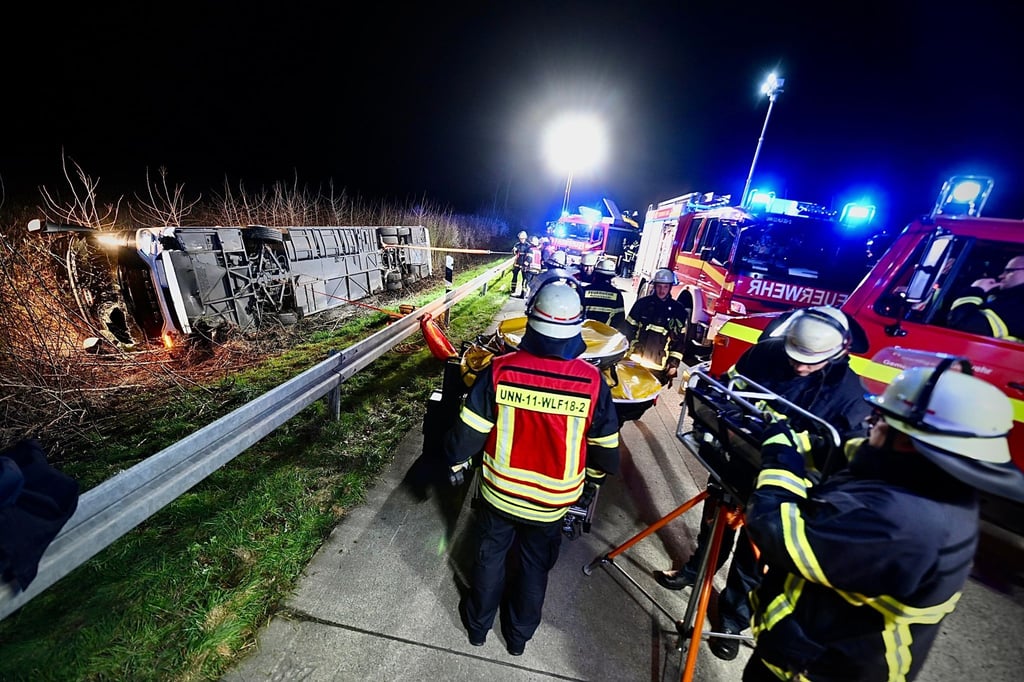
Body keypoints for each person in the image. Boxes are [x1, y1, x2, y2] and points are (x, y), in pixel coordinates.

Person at [742, 358, 1024, 681]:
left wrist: (779, 457)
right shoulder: (926, 480)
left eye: (880, 420)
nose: (871, 426)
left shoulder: (904, 522)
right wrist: (797, 439)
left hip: (817, 672)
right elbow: (851, 452)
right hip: (799, 650)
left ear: (908, 442)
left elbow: (777, 531)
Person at [653, 305, 871, 660]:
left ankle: (732, 620)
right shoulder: (767, 353)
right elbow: (728, 389)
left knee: (753, 558)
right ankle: (696, 570)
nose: (799, 366)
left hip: (779, 488)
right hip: (735, 461)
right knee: (713, 527)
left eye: (810, 362)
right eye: (795, 356)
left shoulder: (849, 398)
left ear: (841, 350)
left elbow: (839, 461)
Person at [444, 276, 620, 657]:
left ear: (531, 321)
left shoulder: (501, 370)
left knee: (489, 558)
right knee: (533, 568)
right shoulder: (592, 383)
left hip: (501, 492)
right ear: (576, 326)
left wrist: (456, 461)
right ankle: (518, 637)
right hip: (553, 503)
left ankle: (477, 628)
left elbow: (470, 429)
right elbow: (605, 447)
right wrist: (593, 480)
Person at [622, 268, 688, 385]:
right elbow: (627, 330)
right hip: (634, 360)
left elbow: (679, 342)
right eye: (659, 286)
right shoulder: (642, 304)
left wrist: (673, 364)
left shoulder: (678, 311)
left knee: (647, 399)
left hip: (658, 367)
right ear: (654, 286)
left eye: (665, 287)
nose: (662, 290)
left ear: (670, 287)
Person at [947, 254, 1024, 341]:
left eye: (1009, 271)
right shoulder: (1009, 298)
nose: (1001, 276)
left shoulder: (1018, 306)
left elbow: (961, 326)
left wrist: (976, 290)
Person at [581, 258, 626, 331]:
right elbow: (619, 321)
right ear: (611, 276)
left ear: (595, 274)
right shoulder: (617, 294)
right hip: (605, 336)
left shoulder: (585, 290)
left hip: (584, 333)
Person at [509, 230, 532, 298]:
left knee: (524, 279)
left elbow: (529, 255)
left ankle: (523, 293)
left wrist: (526, 263)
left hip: (524, 264)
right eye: (520, 238)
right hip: (517, 263)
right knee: (514, 277)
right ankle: (513, 290)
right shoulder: (517, 245)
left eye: (522, 238)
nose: (521, 240)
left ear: (525, 238)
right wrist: (514, 250)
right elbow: (514, 253)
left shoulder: (528, 246)